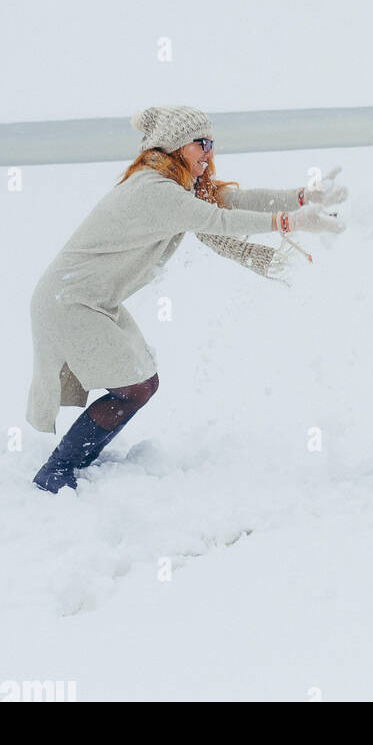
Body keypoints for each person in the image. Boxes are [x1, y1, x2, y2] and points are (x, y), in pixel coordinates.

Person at [26, 104, 346, 493]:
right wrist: (287, 223)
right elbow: (217, 221)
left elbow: (231, 201)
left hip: (92, 299)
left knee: (142, 384)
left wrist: (300, 197)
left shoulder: (175, 185)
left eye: (212, 143)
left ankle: (78, 459)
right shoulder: (154, 190)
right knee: (136, 387)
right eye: (202, 143)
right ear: (177, 145)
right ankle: (57, 472)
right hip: (70, 301)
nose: (210, 152)